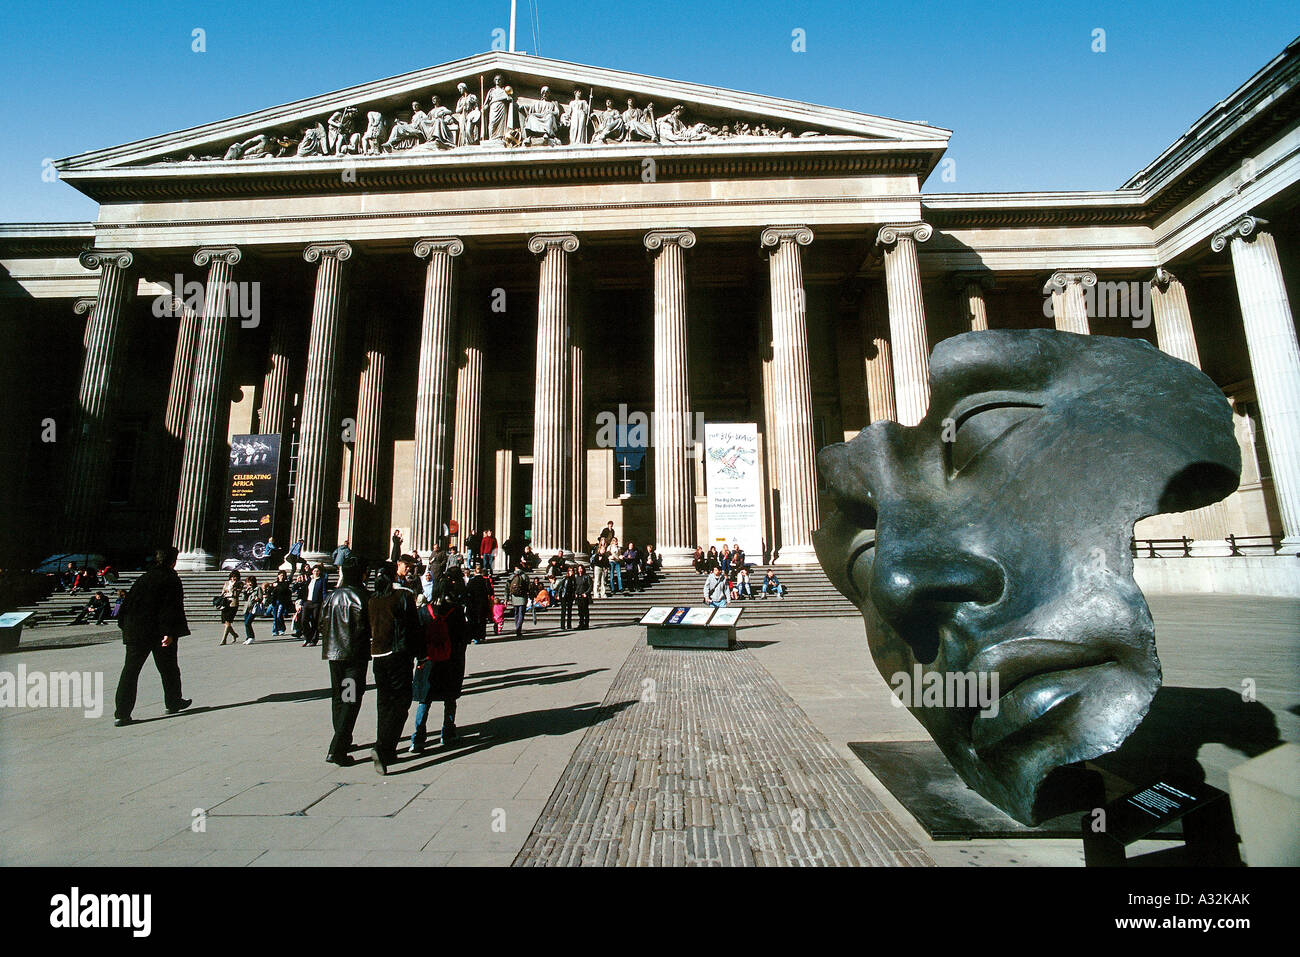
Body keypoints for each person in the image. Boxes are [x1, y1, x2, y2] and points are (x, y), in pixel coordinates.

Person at [113, 546, 191, 727]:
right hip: (158, 632)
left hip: (135, 631)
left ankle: (122, 713)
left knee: (130, 672)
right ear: (174, 561)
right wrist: (169, 632)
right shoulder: (170, 578)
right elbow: (170, 607)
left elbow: (126, 605)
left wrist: (125, 627)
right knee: (169, 668)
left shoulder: (144, 578)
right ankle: (173, 702)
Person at [367, 565, 422, 774]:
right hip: (398, 655)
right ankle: (383, 747)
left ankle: (387, 750)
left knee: (384, 702)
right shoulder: (402, 596)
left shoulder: (372, 599)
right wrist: (420, 653)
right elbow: (413, 626)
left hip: (377, 656)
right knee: (401, 701)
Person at [411, 569, 470, 752]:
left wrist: (420, 657)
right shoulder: (457, 611)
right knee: (450, 698)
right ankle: (448, 732)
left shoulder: (424, 611)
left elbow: (417, 637)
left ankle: (418, 737)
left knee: (424, 700)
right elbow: (464, 637)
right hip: (451, 660)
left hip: (428, 660)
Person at [320, 557, 371, 766]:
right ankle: (337, 748)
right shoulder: (362, 596)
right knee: (350, 698)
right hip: (353, 658)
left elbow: (322, 624)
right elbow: (367, 627)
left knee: (339, 698)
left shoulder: (331, 597)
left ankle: (343, 737)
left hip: (334, 655)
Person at [465, 565, 493, 644]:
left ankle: (471, 637)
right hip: (482, 604)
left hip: (472, 604)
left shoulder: (471, 581)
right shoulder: (485, 581)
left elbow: (467, 591)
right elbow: (490, 592)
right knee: (482, 620)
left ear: (474, 572)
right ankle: (481, 636)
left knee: (472, 620)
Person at [302, 564, 326, 646]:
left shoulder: (321, 580)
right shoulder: (309, 579)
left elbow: (323, 592)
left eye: (317, 571)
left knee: (315, 621)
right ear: (312, 571)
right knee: (303, 620)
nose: (316, 572)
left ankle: (314, 639)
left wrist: (324, 602)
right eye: (315, 571)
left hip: (316, 603)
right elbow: (304, 590)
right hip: (307, 602)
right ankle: (307, 636)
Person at [508, 565, 531, 637]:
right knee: (521, 613)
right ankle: (518, 628)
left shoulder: (512, 576)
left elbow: (507, 587)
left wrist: (506, 597)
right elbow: (529, 587)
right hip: (522, 597)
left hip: (514, 597)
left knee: (516, 613)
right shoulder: (525, 576)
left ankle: (517, 626)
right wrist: (531, 596)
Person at [219, 571, 241, 645]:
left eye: (235, 577)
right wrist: (224, 592)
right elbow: (222, 592)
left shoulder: (239, 583)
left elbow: (236, 594)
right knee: (226, 622)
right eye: (232, 576)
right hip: (225, 603)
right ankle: (234, 634)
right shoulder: (226, 583)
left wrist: (231, 588)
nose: (233, 578)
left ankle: (224, 639)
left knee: (228, 621)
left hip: (233, 603)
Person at [270, 571, 291, 636]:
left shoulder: (285, 583)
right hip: (274, 601)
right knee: (275, 616)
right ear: (278, 576)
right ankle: (275, 630)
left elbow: (283, 589)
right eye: (280, 575)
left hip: (282, 601)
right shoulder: (274, 583)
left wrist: (277, 585)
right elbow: (270, 591)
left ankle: (281, 629)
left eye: (283, 575)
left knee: (279, 615)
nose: (281, 576)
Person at [241, 575, 261, 644]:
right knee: (246, 623)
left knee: (248, 622)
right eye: (248, 582)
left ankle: (251, 637)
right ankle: (248, 637)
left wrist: (258, 599)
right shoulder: (247, 590)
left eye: (250, 582)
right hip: (246, 608)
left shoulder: (258, 589)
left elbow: (261, 598)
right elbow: (243, 598)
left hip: (253, 608)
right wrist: (245, 591)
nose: (249, 583)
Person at [557, 565, 577, 631]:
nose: (571, 572)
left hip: (570, 596)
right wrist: (558, 595)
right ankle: (562, 626)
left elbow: (574, 588)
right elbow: (560, 587)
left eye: (572, 571)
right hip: (564, 596)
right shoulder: (565, 578)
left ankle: (569, 625)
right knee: (563, 611)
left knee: (569, 611)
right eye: (570, 571)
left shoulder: (574, 579)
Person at [575, 563, 593, 630]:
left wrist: (586, 593)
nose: (580, 570)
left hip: (584, 596)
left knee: (585, 610)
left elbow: (590, 586)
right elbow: (575, 586)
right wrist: (575, 593)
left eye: (581, 568)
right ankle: (581, 624)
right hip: (578, 595)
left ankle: (586, 624)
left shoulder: (586, 577)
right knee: (580, 611)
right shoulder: (576, 577)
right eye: (579, 569)